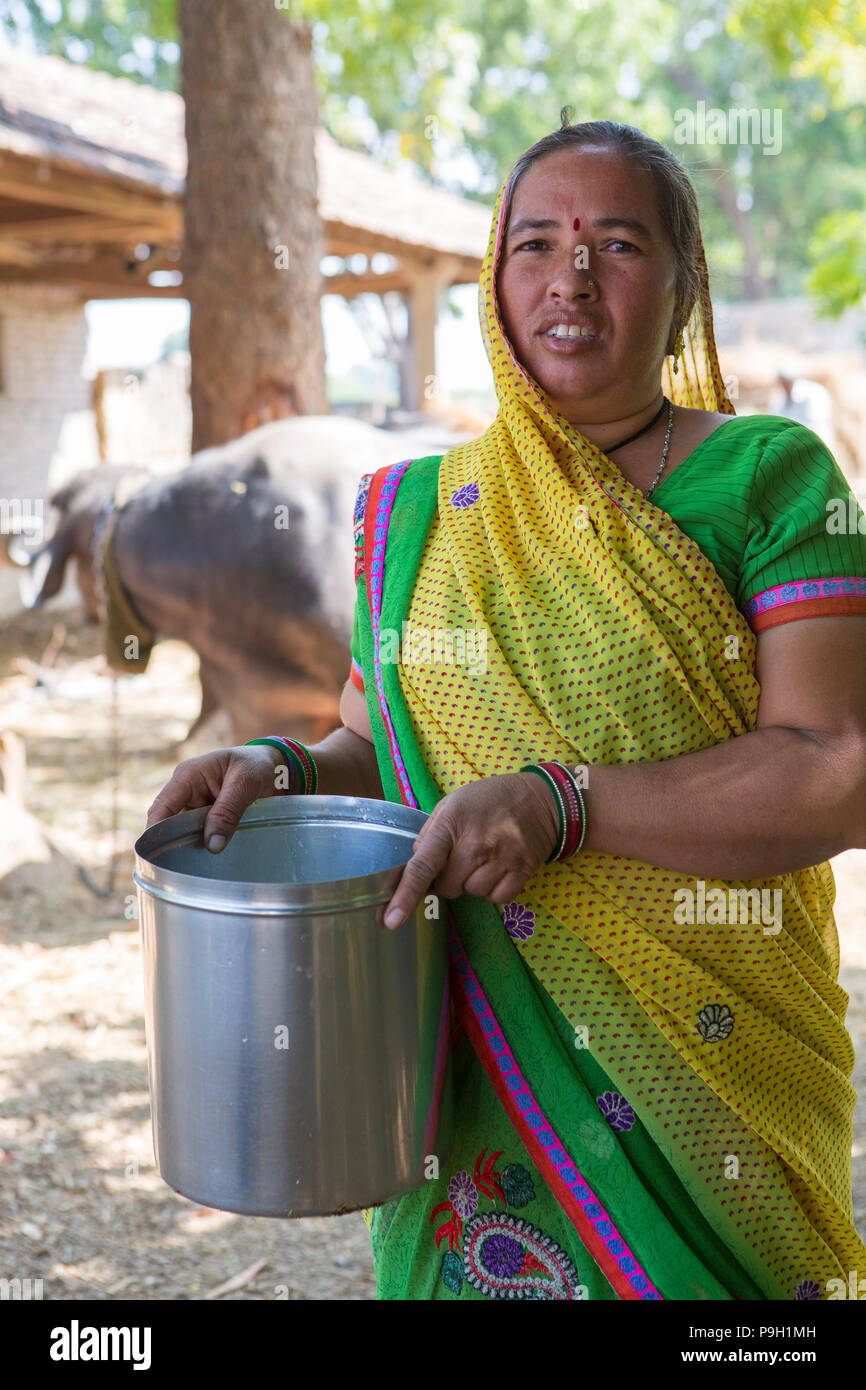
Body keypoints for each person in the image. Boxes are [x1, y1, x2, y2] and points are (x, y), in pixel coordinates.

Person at [146, 115, 866, 1301]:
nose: (568, 277)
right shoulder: (419, 511)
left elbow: (834, 766)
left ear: (681, 286)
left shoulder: (770, 478)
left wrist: (560, 807)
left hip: (711, 1077)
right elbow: (383, 743)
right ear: (492, 282)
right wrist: (278, 770)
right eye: (533, 244)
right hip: (478, 1082)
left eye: (616, 245)